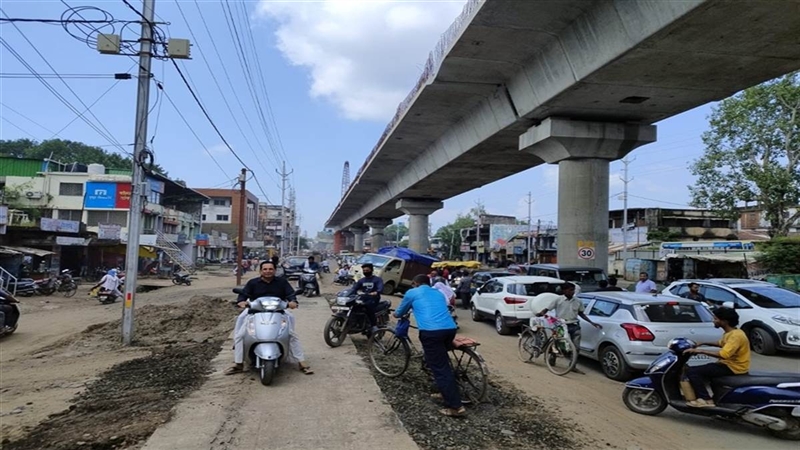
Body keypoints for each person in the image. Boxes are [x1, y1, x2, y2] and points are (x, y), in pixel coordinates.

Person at [225, 261, 313, 375]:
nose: (268, 271)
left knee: (291, 335)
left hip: (278, 312)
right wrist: (241, 301)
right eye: (265, 269)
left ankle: (302, 362)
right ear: (260, 271)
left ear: (275, 270)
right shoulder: (253, 283)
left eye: (270, 269)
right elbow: (244, 294)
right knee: (240, 335)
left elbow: (290, 294)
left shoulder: (282, 282)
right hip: (254, 312)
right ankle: (238, 364)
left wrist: (293, 301)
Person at [394, 274, 464, 417]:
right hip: (450, 329)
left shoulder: (412, 292)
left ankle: (455, 406)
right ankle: (444, 390)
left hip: (431, 332)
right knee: (441, 361)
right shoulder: (438, 292)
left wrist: (396, 314)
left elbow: (399, 312)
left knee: (440, 369)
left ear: (415, 283)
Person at [684, 307, 750, 407]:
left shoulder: (735, 336)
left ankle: (705, 400)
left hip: (733, 367)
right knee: (704, 370)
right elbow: (721, 343)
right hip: (728, 365)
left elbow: (724, 354)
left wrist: (700, 351)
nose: (713, 321)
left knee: (693, 372)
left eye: (715, 319)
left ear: (724, 321)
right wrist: (703, 343)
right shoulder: (732, 333)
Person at [536, 282, 602, 374]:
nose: (572, 292)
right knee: (558, 344)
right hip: (561, 326)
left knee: (576, 348)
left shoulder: (578, 301)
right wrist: (541, 313)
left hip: (574, 325)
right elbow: (547, 309)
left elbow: (581, 313)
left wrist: (592, 323)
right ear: (564, 290)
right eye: (570, 290)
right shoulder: (558, 300)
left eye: (573, 290)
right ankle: (552, 357)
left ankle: (573, 365)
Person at [349, 263, 384, 333]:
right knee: (353, 306)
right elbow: (354, 288)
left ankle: (374, 325)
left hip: (373, 299)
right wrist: (348, 293)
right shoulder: (361, 280)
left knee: (369, 307)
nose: (365, 272)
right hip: (363, 298)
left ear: (371, 270)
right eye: (364, 270)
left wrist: (376, 292)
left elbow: (380, 288)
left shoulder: (377, 280)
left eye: (367, 270)